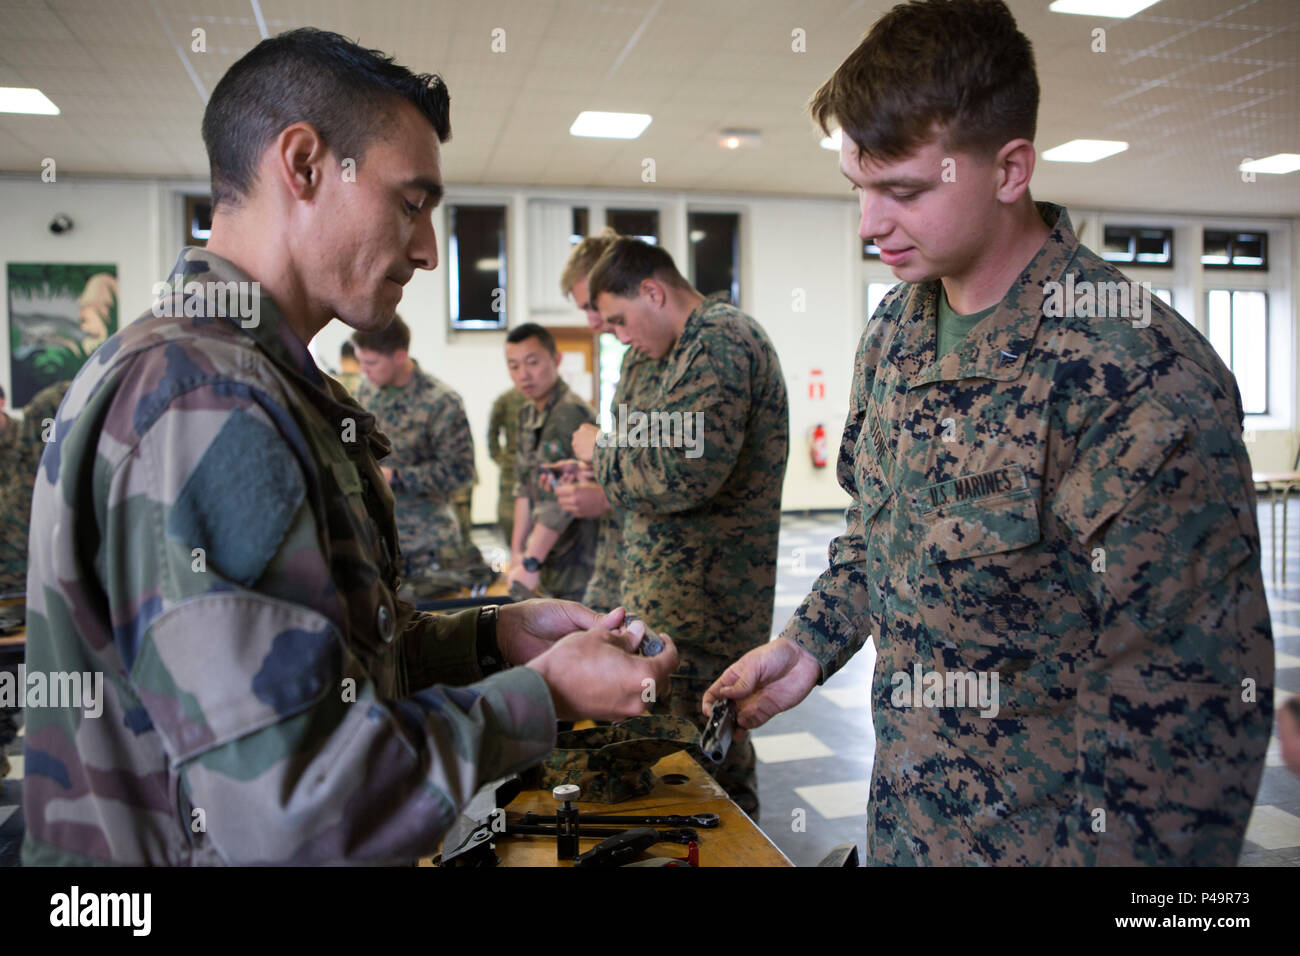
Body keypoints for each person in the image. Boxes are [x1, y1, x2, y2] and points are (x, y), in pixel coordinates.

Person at [21, 27, 676, 866]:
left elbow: (325, 671)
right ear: (302, 165)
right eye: (411, 202)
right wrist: (542, 696)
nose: (429, 249)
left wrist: (494, 638)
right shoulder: (205, 403)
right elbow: (300, 808)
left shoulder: (233, 377)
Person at [705, 0, 1274, 866]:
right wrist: (807, 645)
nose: (869, 224)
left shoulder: (1138, 375)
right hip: (907, 830)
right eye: (860, 188)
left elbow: (1192, 732)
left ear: (1010, 170)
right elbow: (877, 534)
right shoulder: (896, 334)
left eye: (901, 191)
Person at [577, 237, 790, 818]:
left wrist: (602, 454)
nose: (617, 334)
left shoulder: (721, 340)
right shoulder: (649, 357)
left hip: (709, 607)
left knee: (707, 769)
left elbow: (684, 469)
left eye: (620, 318)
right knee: (668, 768)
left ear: (654, 291)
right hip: (656, 594)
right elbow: (638, 456)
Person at [554, 229, 664, 614]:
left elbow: (678, 476)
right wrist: (593, 469)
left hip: (668, 588)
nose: (592, 322)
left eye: (593, 305)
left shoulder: (686, 353)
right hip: (622, 571)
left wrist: (605, 495)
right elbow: (637, 451)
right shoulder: (639, 357)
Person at [353, 314, 478, 575]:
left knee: (431, 615)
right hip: (377, 539)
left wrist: (396, 477)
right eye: (361, 362)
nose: (364, 370)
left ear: (399, 356)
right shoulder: (365, 392)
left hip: (427, 546)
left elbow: (461, 472)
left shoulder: (441, 402)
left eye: (372, 362)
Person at [505, 323, 600, 601]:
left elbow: (559, 498)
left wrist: (530, 561)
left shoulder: (568, 412)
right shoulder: (528, 414)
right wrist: (517, 553)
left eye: (532, 362)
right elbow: (524, 487)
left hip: (576, 559)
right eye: (514, 366)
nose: (524, 375)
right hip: (545, 553)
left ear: (556, 360)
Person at [487, 385, 528, 546]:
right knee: (507, 515)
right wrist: (499, 458)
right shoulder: (505, 400)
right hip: (511, 467)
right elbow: (492, 433)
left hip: (539, 465)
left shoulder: (544, 400)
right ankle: (515, 552)